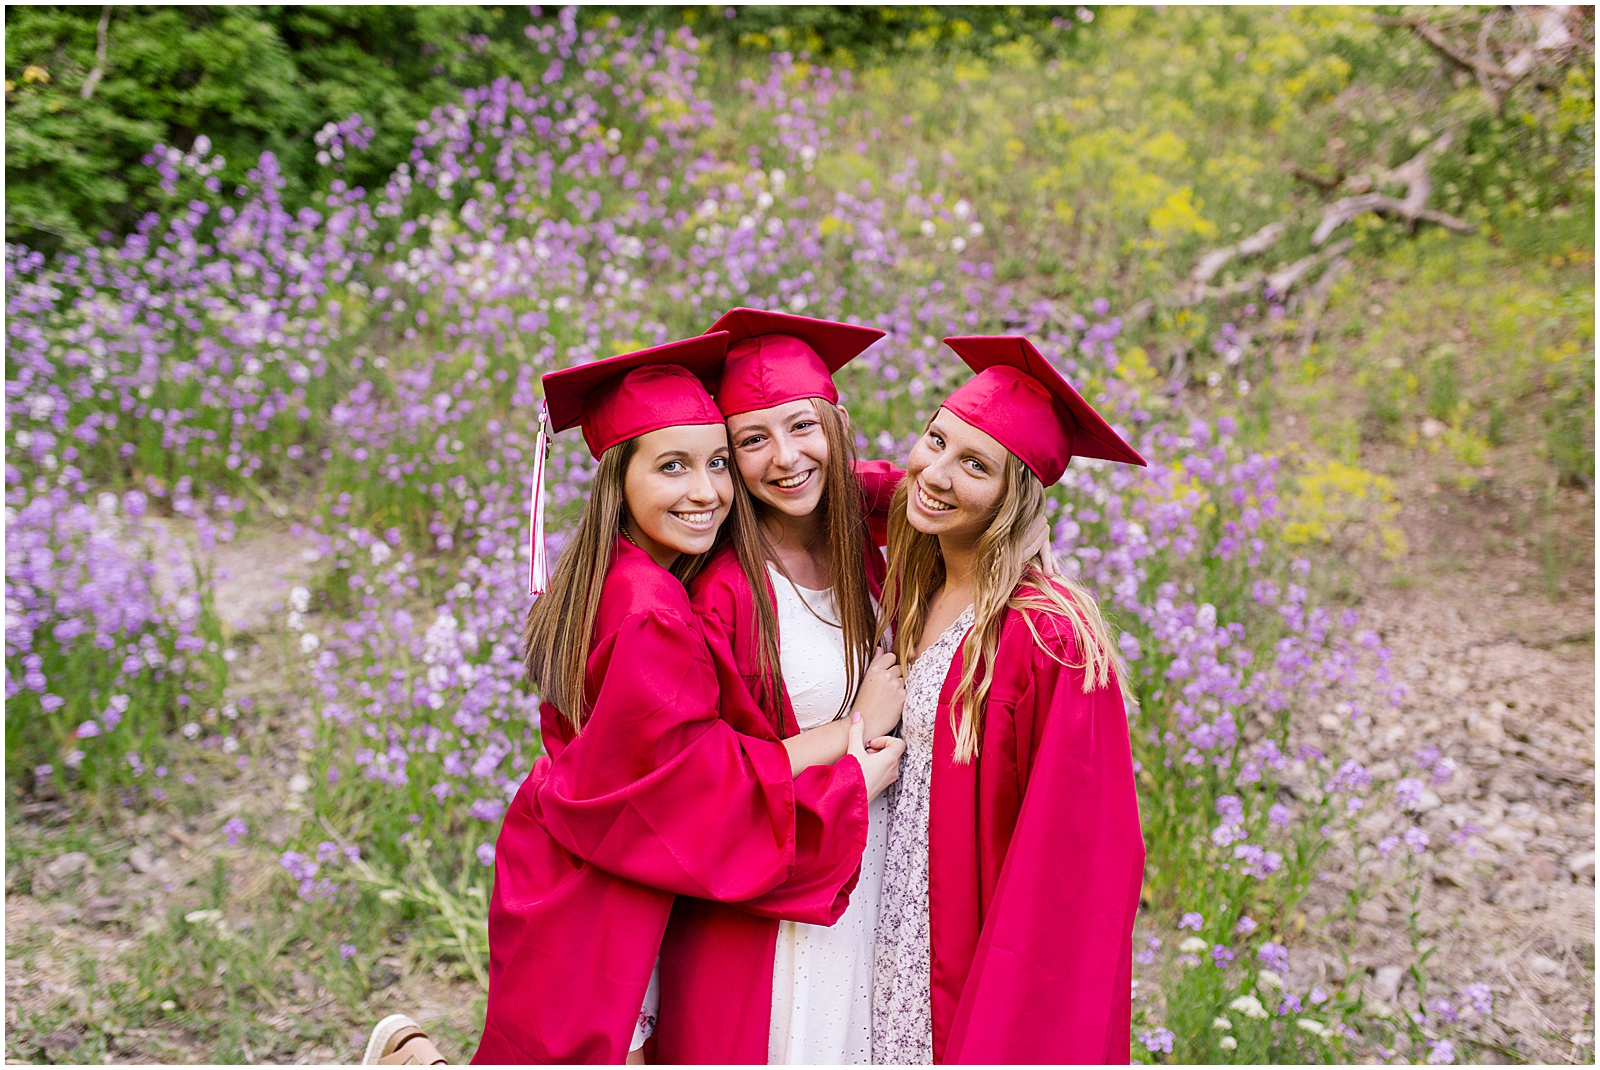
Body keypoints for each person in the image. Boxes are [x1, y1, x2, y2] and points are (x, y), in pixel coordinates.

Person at [457, 334, 905, 1063]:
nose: (707, 492)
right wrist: (852, 743)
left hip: (574, 868)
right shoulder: (653, 609)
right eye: (673, 466)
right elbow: (694, 784)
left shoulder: (625, 575)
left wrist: (912, 486)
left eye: (719, 464)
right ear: (618, 481)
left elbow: (819, 477)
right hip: (607, 878)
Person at [871, 335, 1148, 1065]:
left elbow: (1077, 867)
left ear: (1014, 494)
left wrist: (1012, 1024)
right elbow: (861, 492)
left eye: (975, 465)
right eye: (935, 439)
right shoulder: (915, 579)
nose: (935, 472)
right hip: (882, 934)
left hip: (961, 959)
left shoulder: (1049, 636)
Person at [653, 309, 904, 1065]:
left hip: (874, 867)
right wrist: (857, 727)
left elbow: (939, 489)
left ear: (836, 424)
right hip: (786, 896)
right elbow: (707, 777)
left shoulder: (857, 534)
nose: (784, 459)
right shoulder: (721, 591)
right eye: (751, 441)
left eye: (802, 427)